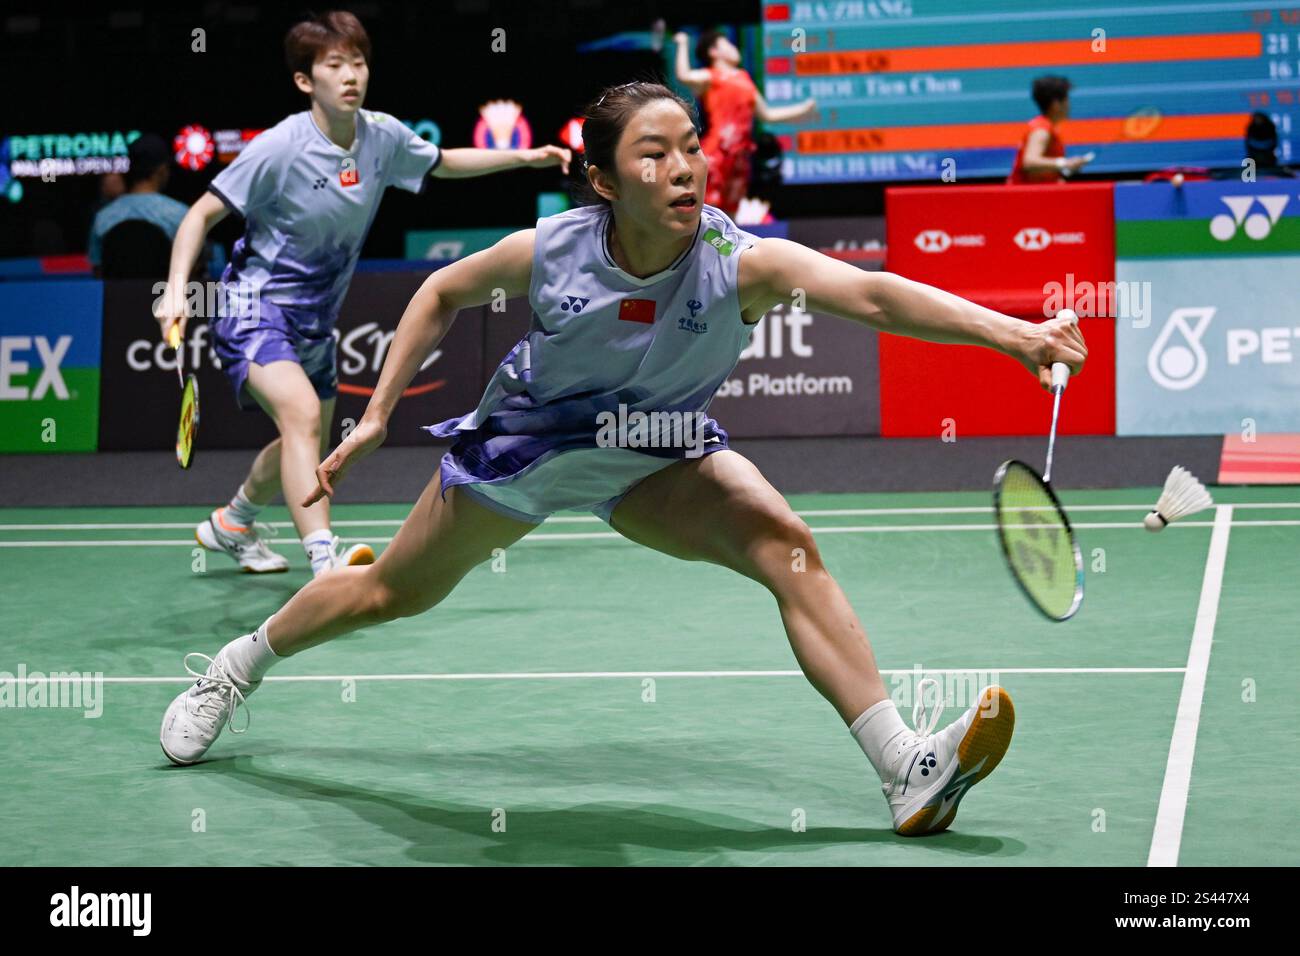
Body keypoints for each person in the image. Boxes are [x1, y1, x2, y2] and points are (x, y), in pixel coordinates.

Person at [159, 81, 1086, 837]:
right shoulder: (555, 249)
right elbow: (443, 291)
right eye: (655, 153)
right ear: (603, 179)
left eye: (691, 145)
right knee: (389, 593)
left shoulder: (738, 261)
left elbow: (874, 297)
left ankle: (905, 770)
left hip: (655, 447)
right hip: (532, 440)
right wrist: (374, 418)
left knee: (786, 544)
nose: (685, 168)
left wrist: (1014, 335)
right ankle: (238, 665)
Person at [154, 10, 570, 578]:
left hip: (316, 320)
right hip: (252, 307)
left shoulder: (381, 136)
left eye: (358, 62)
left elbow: (444, 164)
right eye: (334, 65)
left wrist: (524, 158)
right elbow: (200, 215)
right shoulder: (280, 147)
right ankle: (326, 563)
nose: (351, 74)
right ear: (306, 81)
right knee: (301, 416)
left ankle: (232, 523)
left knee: (305, 437)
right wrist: (177, 291)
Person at [673, 28, 816, 215]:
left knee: (731, 213)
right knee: (706, 209)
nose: (734, 48)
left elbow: (768, 115)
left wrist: (803, 109)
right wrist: (683, 43)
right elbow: (684, 76)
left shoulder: (744, 79)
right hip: (718, 153)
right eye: (727, 44)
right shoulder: (711, 76)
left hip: (740, 157)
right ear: (713, 52)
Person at [88, 135, 213, 278]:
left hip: (117, 299)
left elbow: (98, 272)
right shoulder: (182, 215)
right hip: (166, 298)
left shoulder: (103, 217)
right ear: (161, 170)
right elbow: (196, 269)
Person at [1007, 75, 1091, 184]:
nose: (1069, 105)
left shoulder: (1047, 128)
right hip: (1023, 197)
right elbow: (1030, 162)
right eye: (1066, 99)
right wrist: (1065, 163)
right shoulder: (1042, 130)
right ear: (1056, 104)